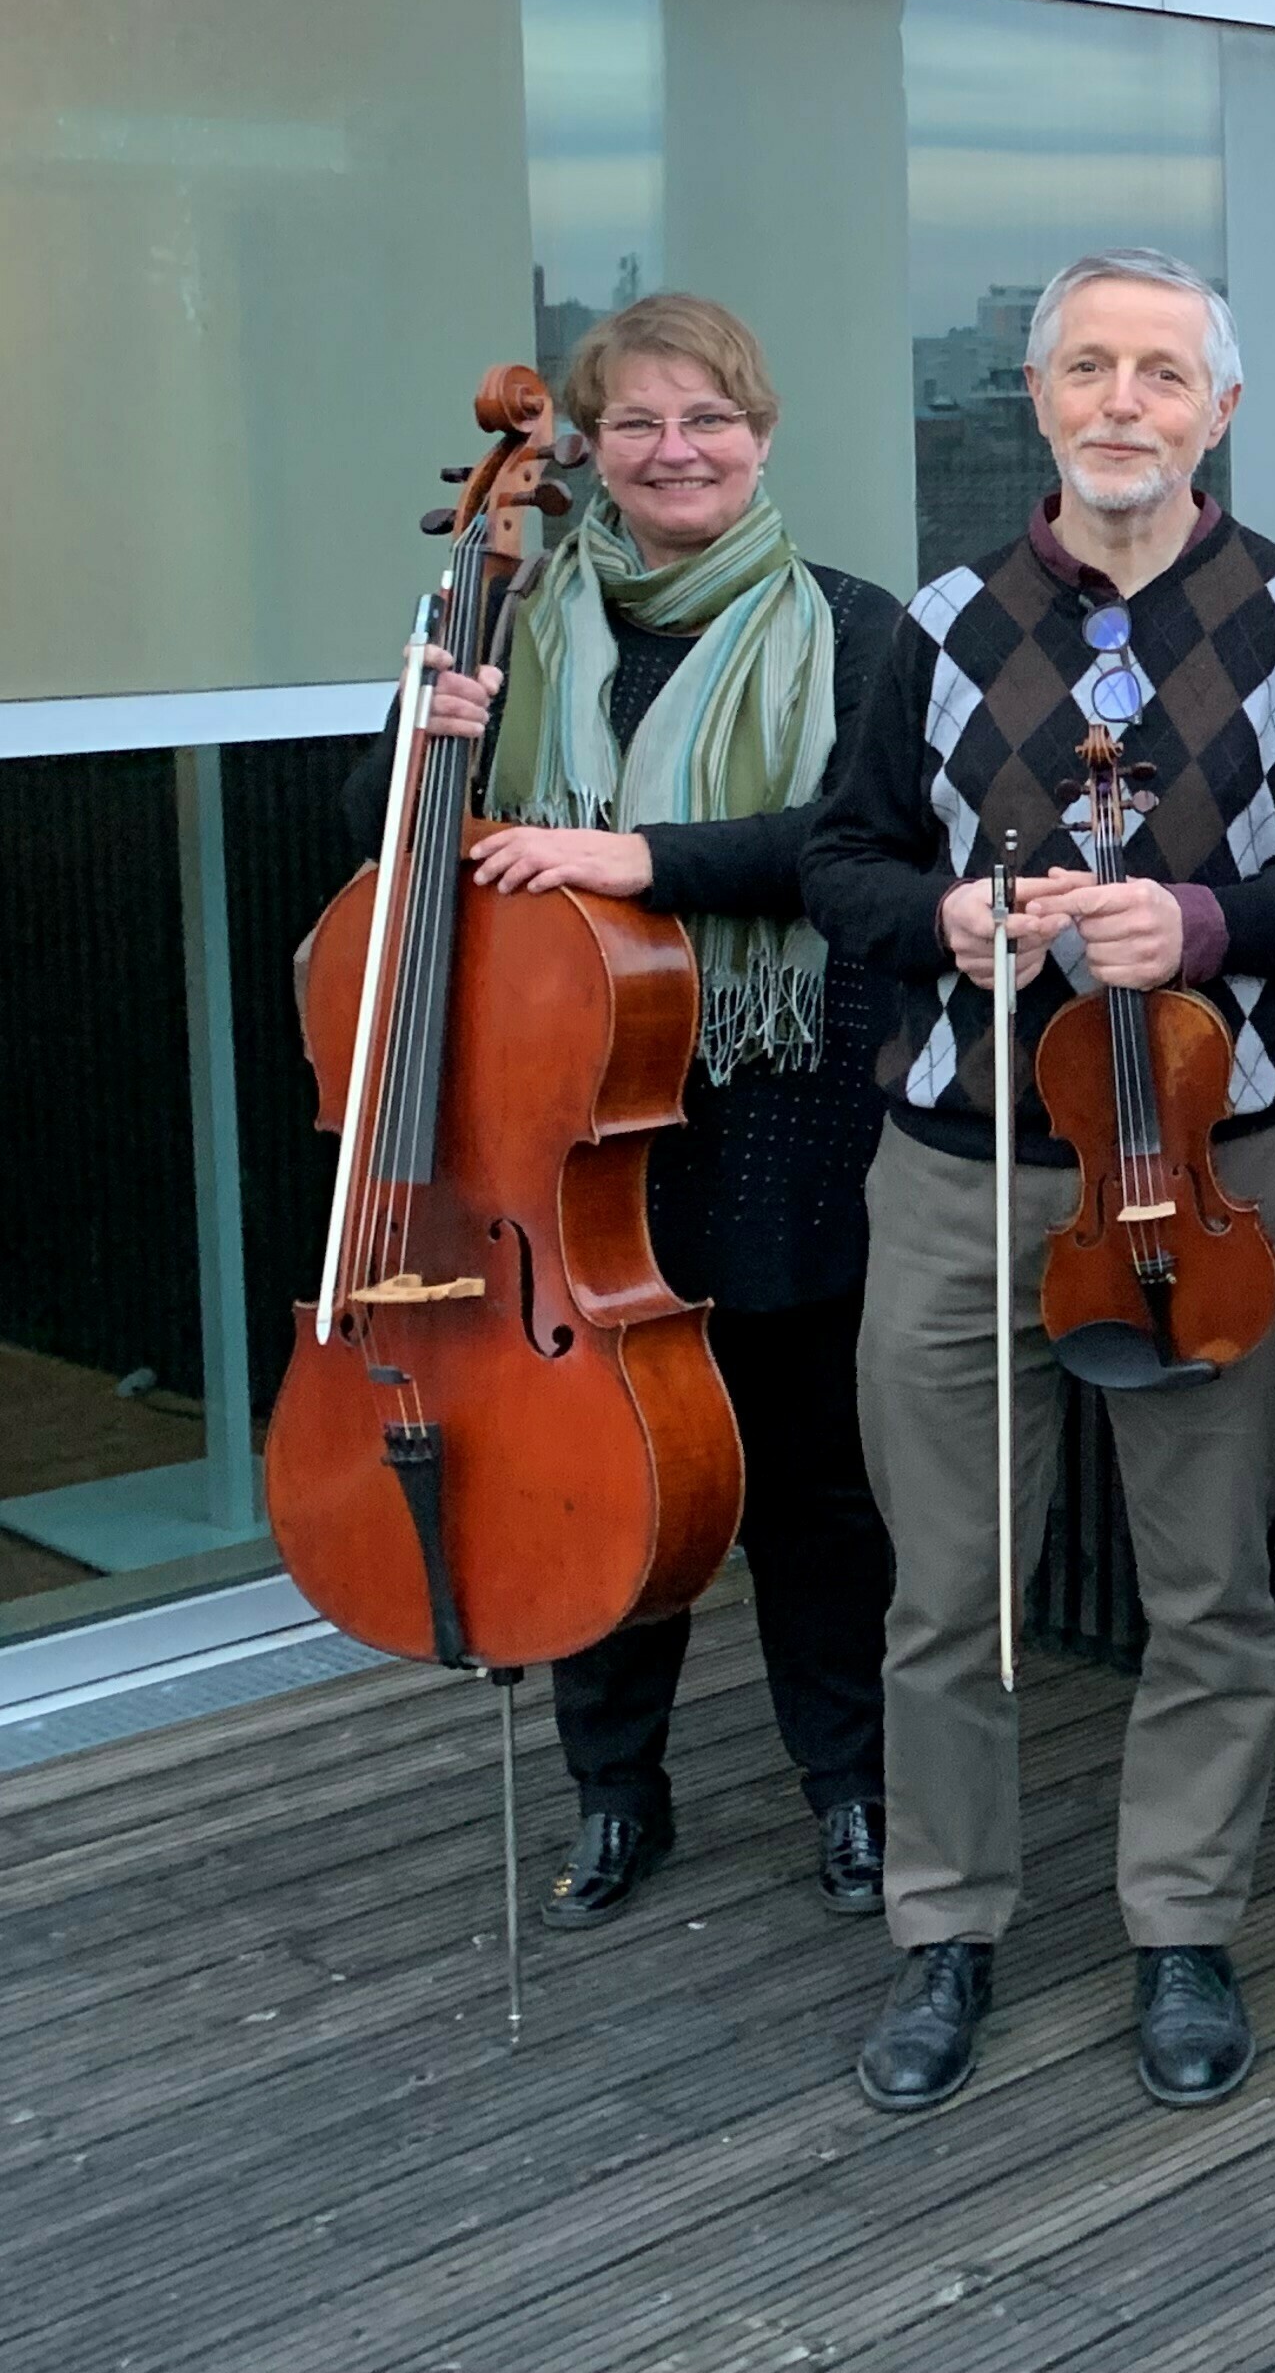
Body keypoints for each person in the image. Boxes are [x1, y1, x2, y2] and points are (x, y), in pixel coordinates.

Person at [800, 247, 1275, 2116]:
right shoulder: (944, 615)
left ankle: (1181, 1927)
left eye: (1162, 372)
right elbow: (841, 864)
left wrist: (1211, 917)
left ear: (1216, 409)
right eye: (1088, 368)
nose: (1122, 402)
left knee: (1209, 1580)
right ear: (1040, 398)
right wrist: (948, 917)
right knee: (950, 1590)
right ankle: (947, 1929)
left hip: (1214, 1173)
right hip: (963, 1170)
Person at [339, 294, 901, 1929]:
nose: (678, 451)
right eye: (641, 424)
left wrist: (634, 857)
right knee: (589, 1468)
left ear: (762, 436)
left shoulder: (854, 626)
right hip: (559, 1143)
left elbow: (855, 845)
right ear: (580, 451)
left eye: (709, 420)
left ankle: (849, 1788)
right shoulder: (500, 620)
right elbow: (388, 870)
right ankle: (614, 1792)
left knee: (810, 1486)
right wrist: (419, 742)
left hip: (784, 1108)